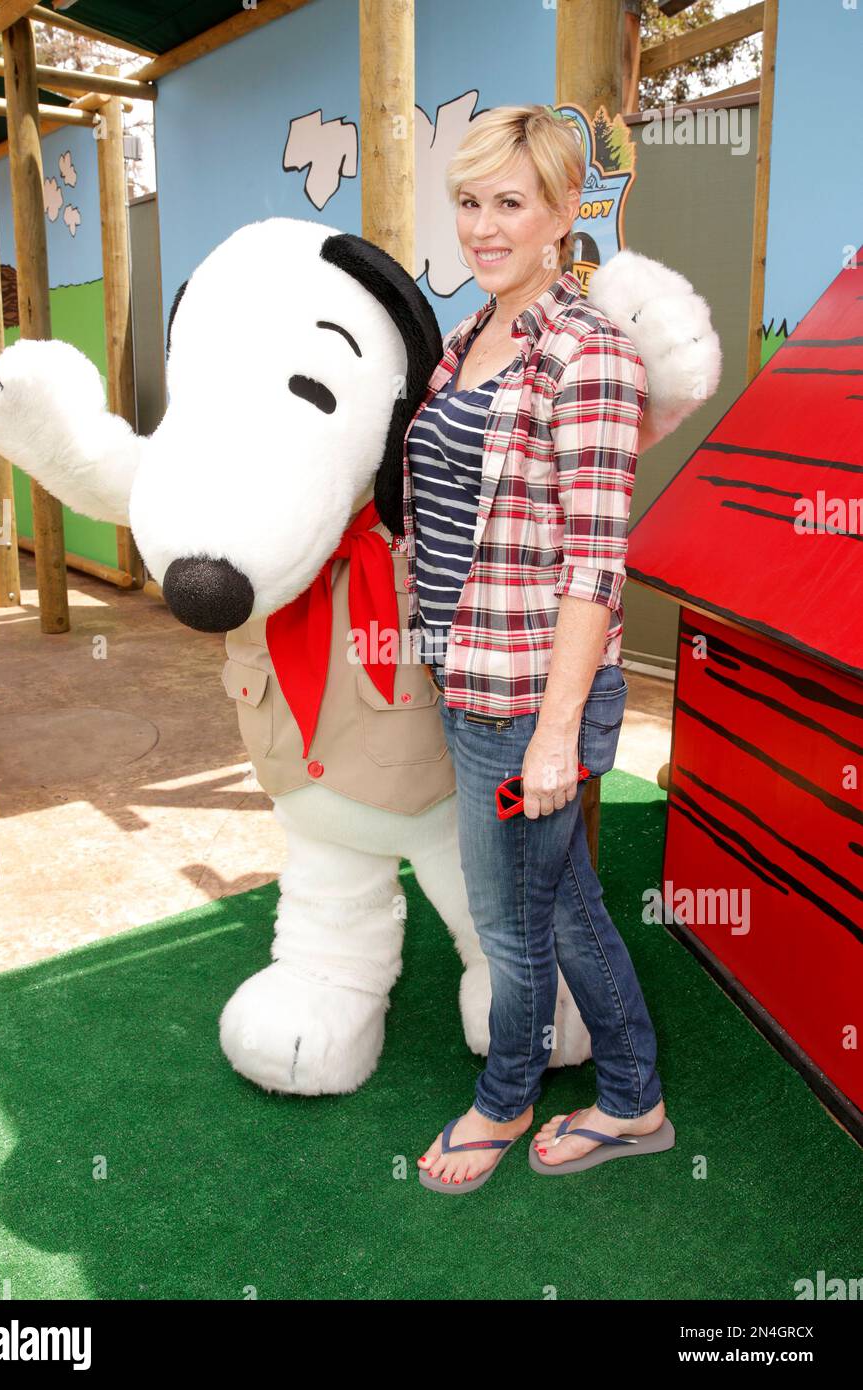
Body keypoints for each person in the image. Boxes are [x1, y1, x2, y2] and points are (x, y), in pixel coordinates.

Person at [403, 105, 672, 1192]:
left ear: (564, 213)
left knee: (511, 922)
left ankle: (502, 1101)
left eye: (508, 203)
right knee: (557, 904)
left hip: (528, 706)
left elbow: (592, 567)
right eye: (468, 201)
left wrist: (554, 733)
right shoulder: (471, 336)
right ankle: (632, 1096)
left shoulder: (588, 352)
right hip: (473, 683)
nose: (481, 225)